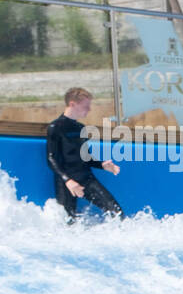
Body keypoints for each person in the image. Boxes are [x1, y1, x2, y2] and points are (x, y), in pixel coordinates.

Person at [45, 87, 124, 221]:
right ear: (72, 104)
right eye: (85, 106)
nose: (89, 109)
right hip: (67, 183)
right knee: (69, 221)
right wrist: (68, 181)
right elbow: (51, 159)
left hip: (86, 178)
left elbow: (85, 157)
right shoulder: (55, 127)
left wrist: (102, 165)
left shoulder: (81, 128)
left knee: (117, 214)